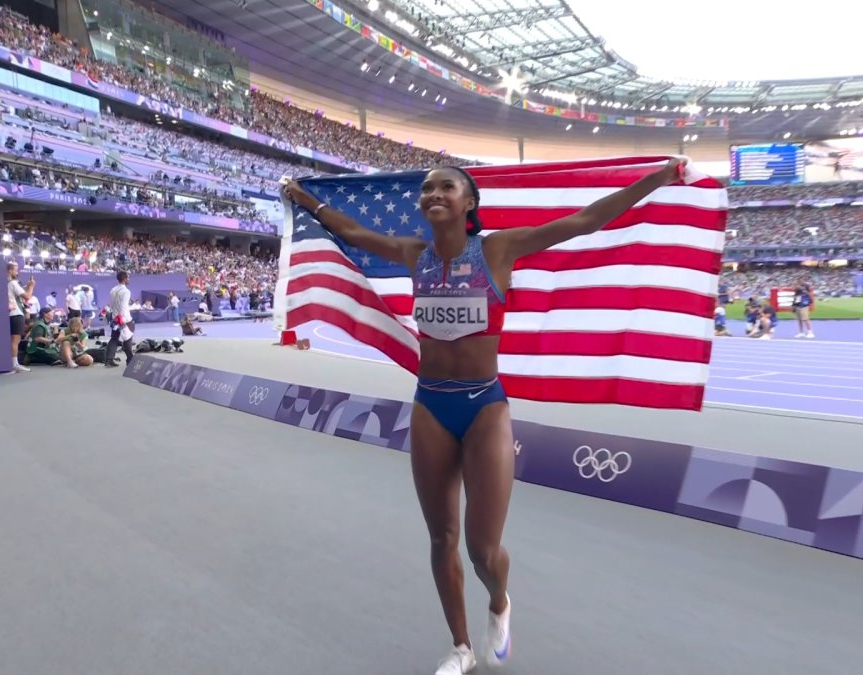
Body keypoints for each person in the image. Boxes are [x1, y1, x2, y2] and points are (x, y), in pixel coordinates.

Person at [282, 158, 686, 675]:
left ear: (468, 202)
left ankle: (500, 601)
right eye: (426, 187)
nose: (432, 193)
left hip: (484, 405)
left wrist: (654, 180)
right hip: (431, 402)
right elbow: (353, 231)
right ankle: (461, 647)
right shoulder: (414, 254)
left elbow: (584, 221)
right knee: (440, 537)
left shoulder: (498, 249)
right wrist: (304, 197)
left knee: (482, 549)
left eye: (445, 186)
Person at [7, 261, 34, 373]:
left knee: (12, 340)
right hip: (16, 314)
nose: (17, 271)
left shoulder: (6, 284)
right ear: (10, 271)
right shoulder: (13, 283)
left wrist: (27, 286)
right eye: (15, 269)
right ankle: (14, 364)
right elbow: (27, 297)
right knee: (15, 340)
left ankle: (12, 363)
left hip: (10, 313)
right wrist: (31, 286)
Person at [105, 270, 134, 367]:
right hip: (123, 318)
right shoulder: (126, 291)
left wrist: (116, 318)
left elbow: (112, 305)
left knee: (114, 338)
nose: (129, 279)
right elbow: (123, 306)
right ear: (125, 279)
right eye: (128, 278)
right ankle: (130, 360)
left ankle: (108, 360)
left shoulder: (112, 290)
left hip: (114, 318)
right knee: (128, 338)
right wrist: (123, 321)